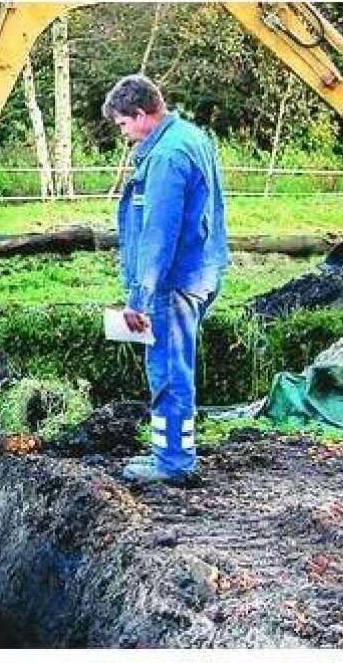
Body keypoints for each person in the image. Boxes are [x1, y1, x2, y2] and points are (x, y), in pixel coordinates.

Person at [102, 74, 229, 484]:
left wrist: (139, 297)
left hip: (173, 281)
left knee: (169, 373)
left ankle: (173, 463)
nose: (123, 133)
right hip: (201, 269)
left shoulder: (167, 157)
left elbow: (158, 234)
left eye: (123, 124)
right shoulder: (191, 137)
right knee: (176, 367)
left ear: (141, 115)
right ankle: (174, 452)